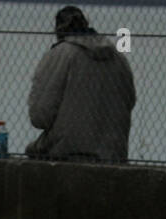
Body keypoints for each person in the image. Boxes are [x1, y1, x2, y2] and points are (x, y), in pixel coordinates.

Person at [27, 5, 136, 162]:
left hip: (67, 151)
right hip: (113, 153)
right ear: (86, 24)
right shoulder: (118, 57)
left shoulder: (61, 54)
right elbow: (129, 101)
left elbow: (40, 116)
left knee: (33, 152)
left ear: (58, 30)